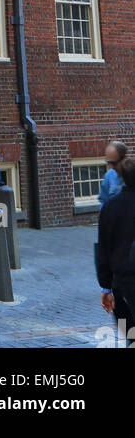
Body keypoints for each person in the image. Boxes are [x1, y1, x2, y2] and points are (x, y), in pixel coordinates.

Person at [96, 156, 135, 346]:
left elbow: (103, 251)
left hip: (122, 282)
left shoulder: (110, 207)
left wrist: (105, 287)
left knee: (131, 334)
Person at [99, 140, 128, 207]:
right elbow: (103, 202)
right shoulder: (109, 176)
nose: (111, 167)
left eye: (114, 163)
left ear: (125, 158)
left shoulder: (132, 175)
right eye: (109, 163)